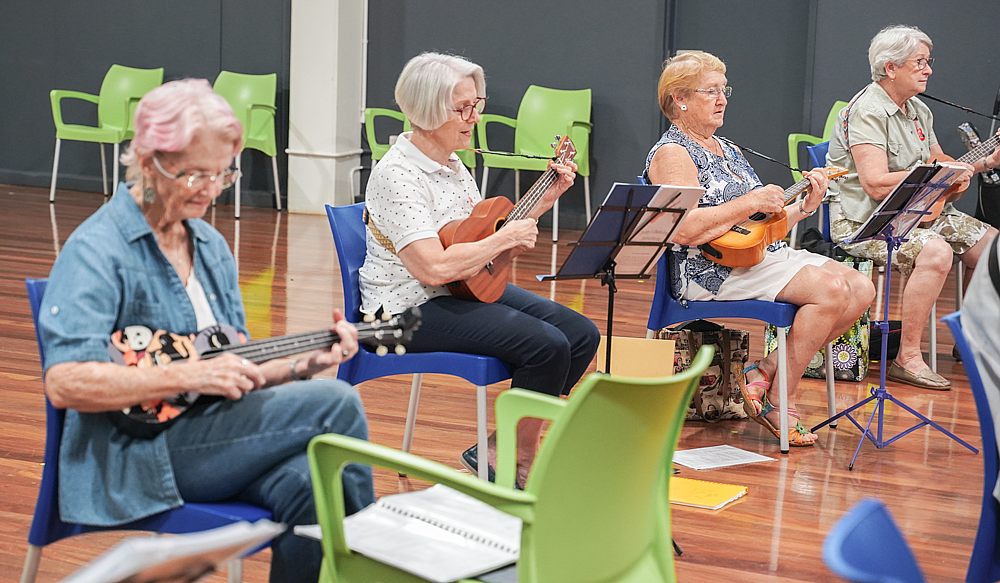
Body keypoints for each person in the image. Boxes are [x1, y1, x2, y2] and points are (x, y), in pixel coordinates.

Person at [38, 79, 374, 583]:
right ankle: (379, 570)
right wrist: (188, 376)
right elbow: (65, 382)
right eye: (195, 174)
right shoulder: (97, 250)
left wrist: (302, 365)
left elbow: (232, 364)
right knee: (338, 404)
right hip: (138, 455)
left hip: (215, 433)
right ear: (148, 161)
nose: (211, 189)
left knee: (311, 483)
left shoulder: (210, 245)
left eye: (223, 174)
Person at [359, 52, 600, 486]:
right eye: (463, 108)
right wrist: (505, 239)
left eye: (477, 104)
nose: (474, 117)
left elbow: (481, 237)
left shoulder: (454, 164)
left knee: (581, 335)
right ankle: (515, 459)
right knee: (546, 346)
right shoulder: (398, 175)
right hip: (400, 310)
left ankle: (503, 448)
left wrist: (545, 197)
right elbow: (432, 267)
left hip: (456, 289)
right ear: (428, 110)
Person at [643, 51, 875, 447]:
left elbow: (758, 228)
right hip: (707, 270)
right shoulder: (672, 154)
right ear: (679, 98)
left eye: (724, 90)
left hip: (754, 258)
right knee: (832, 291)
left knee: (863, 288)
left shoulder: (726, 148)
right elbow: (683, 228)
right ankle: (781, 397)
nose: (723, 99)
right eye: (711, 91)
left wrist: (804, 205)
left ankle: (764, 373)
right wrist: (750, 201)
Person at [828, 25, 1000, 390]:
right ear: (890, 68)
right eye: (920, 62)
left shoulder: (919, 110)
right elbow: (874, 182)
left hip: (919, 210)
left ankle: (970, 339)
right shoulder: (866, 111)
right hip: (869, 221)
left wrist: (970, 168)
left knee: (993, 248)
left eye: (927, 61)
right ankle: (907, 357)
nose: (928, 70)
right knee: (935, 252)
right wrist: (938, 174)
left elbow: (938, 159)